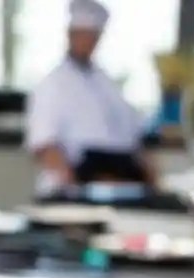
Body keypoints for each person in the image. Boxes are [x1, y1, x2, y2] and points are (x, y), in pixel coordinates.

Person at [25, 0, 156, 197]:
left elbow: (135, 140)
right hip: (72, 189)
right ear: (70, 35)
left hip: (121, 187)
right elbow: (44, 144)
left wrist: (151, 179)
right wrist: (75, 187)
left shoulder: (108, 85)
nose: (88, 41)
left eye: (93, 36)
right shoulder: (52, 85)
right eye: (83, 35)